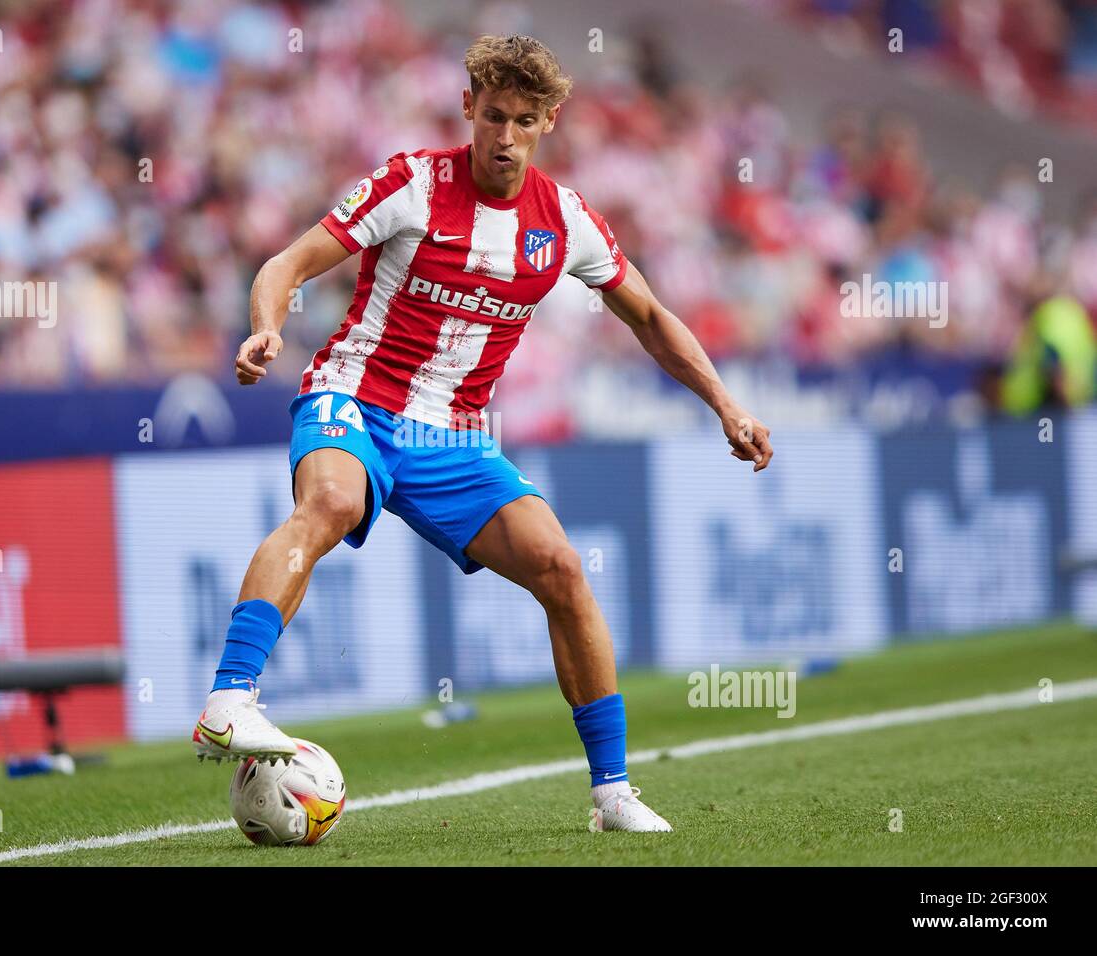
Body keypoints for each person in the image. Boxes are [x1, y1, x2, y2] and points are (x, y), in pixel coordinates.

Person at [192, 35, 774, 833]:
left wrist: (725, 405)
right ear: (468, 106)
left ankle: (612, 794)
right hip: (355, 397)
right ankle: (230, 699)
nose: (503, 137)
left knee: (562, 569)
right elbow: (285, 264)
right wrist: (265, 329)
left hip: (454, 440)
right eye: (492, 115)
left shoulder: (563, 222)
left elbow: (650, 316)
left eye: (523, 121)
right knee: (328, 502)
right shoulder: (411, 184)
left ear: (549, 123)